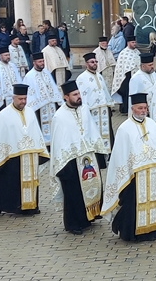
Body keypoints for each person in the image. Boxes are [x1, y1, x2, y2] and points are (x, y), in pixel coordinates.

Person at [102, 93, 156, 242]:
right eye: (140, 108)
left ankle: (153, 231)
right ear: (132, 109)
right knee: (133, 204)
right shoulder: (124, 128)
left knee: (153, 202)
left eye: (145, 108)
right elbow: (120, 156)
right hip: (134, 176)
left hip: (153, 172)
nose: (143, 111)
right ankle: (132, 234)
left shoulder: (152, 124)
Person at [0, 83, 48, 210]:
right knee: (10, 183)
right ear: (13, 98)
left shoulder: (30, 112)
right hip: (11, 157)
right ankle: (7, 206)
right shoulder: (4, 115)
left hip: (30, 155)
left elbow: (36, 132)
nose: (23, 101)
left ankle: (31, 206)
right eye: (20, 99)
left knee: (31, 181)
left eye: (25, 99)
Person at [50, 81, 104, 234]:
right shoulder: (59, 117)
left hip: (88, 156)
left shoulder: (84, 109)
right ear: (66, 97)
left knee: (92, 187)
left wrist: (98, 154)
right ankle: (73, 224)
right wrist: (64, 166)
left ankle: (89, 216)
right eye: (75, 95)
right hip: (71, 160)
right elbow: (59, 143)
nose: (79, 97)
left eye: (79, 93)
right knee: (73, 193)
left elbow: (91, 131)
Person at [75, 52, 115, 161]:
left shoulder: (99, 75)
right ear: (86, 64)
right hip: (92, 111)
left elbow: (105, 92)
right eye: (92, 62)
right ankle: (99, 158)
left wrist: (109, 105)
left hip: (104, 110)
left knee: (108, 133)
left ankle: (110, 154)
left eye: (96, 61)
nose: (95, 64)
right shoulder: (81, 78)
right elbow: (82, 96)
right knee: (95, 133)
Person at [22, 52, 61, 142]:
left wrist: (58, 101)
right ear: (34, 63)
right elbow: (30, 93)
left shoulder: (47, 72)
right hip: (39, 108)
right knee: (41, 128)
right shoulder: (29, 76)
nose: (42, 63)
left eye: (43, 61)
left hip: (51, 105)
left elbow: (53, 87)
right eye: (40, 62)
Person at [0, 49, 22, 134]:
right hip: (4, 100)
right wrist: (0, 99)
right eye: (5, 55)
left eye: (8, 55)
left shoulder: (13, 66)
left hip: (15, 97)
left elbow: (18, 80)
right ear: (0, 56)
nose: (8, 57)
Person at [112, 36, 142, 111]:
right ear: (128, 43)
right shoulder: (124, 53)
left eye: (135, 42)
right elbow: (120, 67)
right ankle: (124, 109)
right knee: (126, 93)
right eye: (133, 42)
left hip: (136, 76)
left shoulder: (137, 52)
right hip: (127, 76)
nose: (134, 44)